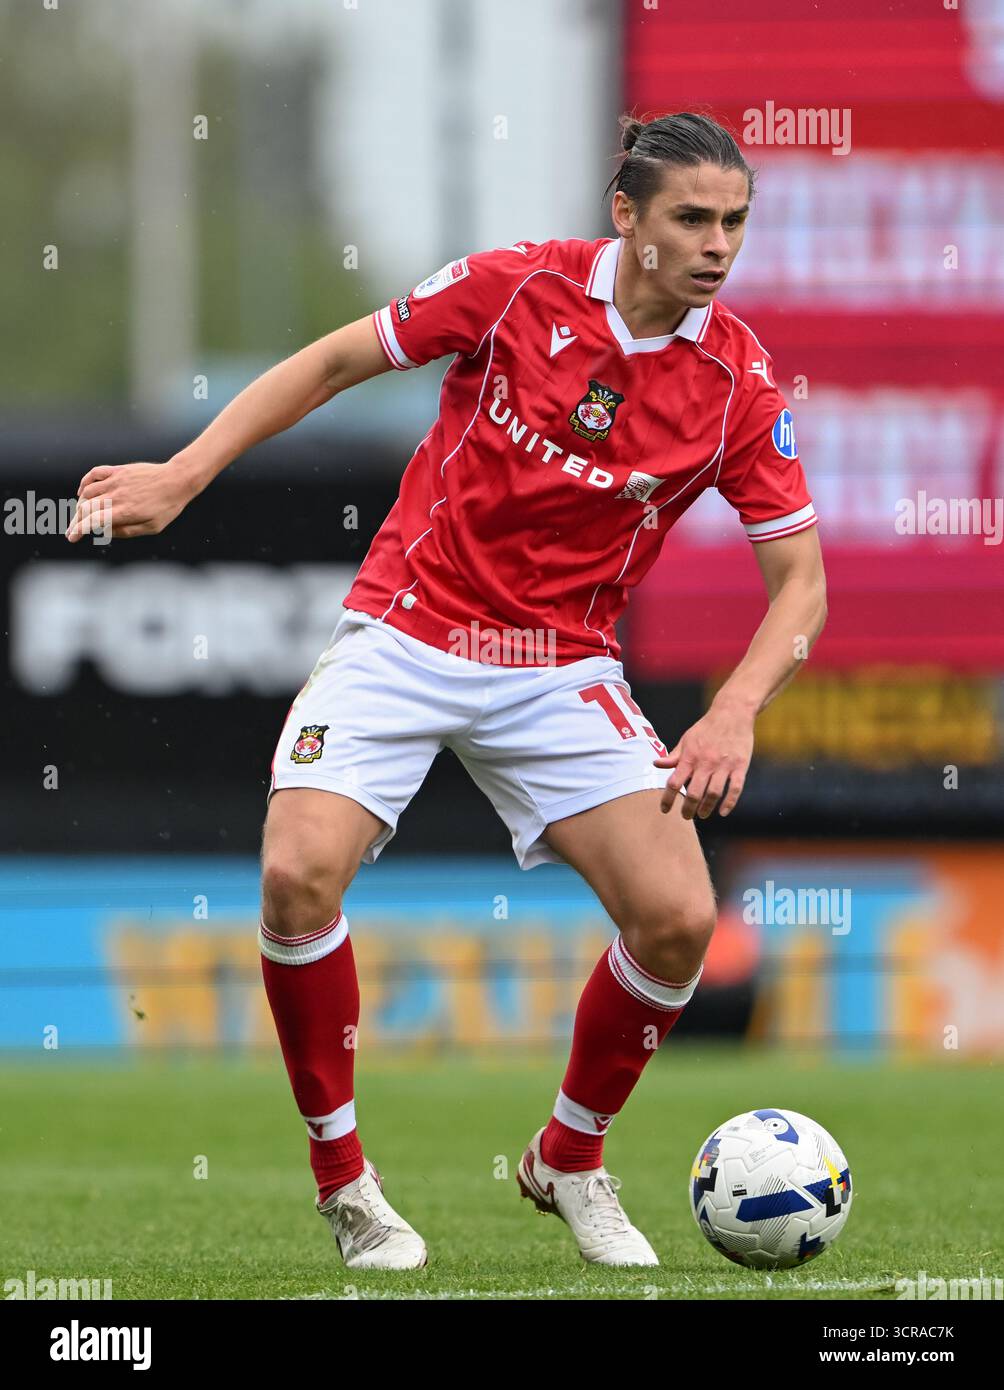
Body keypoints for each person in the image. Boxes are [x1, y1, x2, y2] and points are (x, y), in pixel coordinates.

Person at [68, 111, 826, 1269]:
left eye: (732, 220)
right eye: (690, 217)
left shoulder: (736, 384)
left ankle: (568, 1157)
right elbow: (331, 362)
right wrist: (181, 474)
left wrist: (731, 709)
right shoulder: (513, 288)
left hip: (557, 664)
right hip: (407, 627)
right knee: (292, 876)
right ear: (625, 215)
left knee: (677, 920)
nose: (716, 243)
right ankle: (347, 1185)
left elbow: (800, 586)